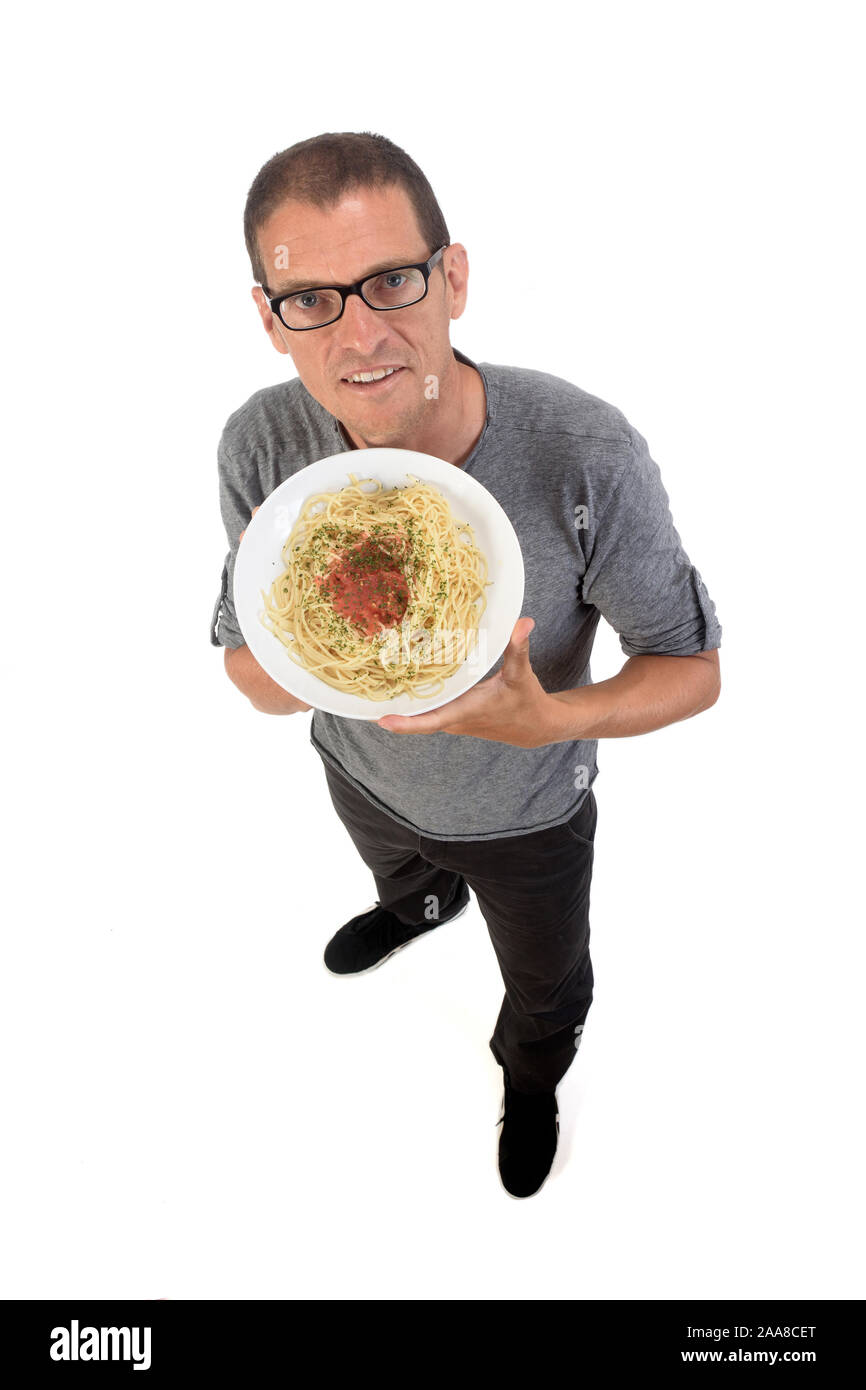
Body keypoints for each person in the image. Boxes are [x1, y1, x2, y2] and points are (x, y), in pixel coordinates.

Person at [210, 132, 723, 1199]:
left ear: (452, 279)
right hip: (361, 774)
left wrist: (545, 722)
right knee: (396, 866)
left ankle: (532, 1074)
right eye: (310, 299)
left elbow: (690, 669)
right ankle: (415, 905)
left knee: (543, 983)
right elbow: (252, 681)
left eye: (391, 281)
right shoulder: (263, 446)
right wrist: (304, 609)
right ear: (268, 318)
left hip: (529, 812)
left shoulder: (584, 453)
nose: (359, 332)